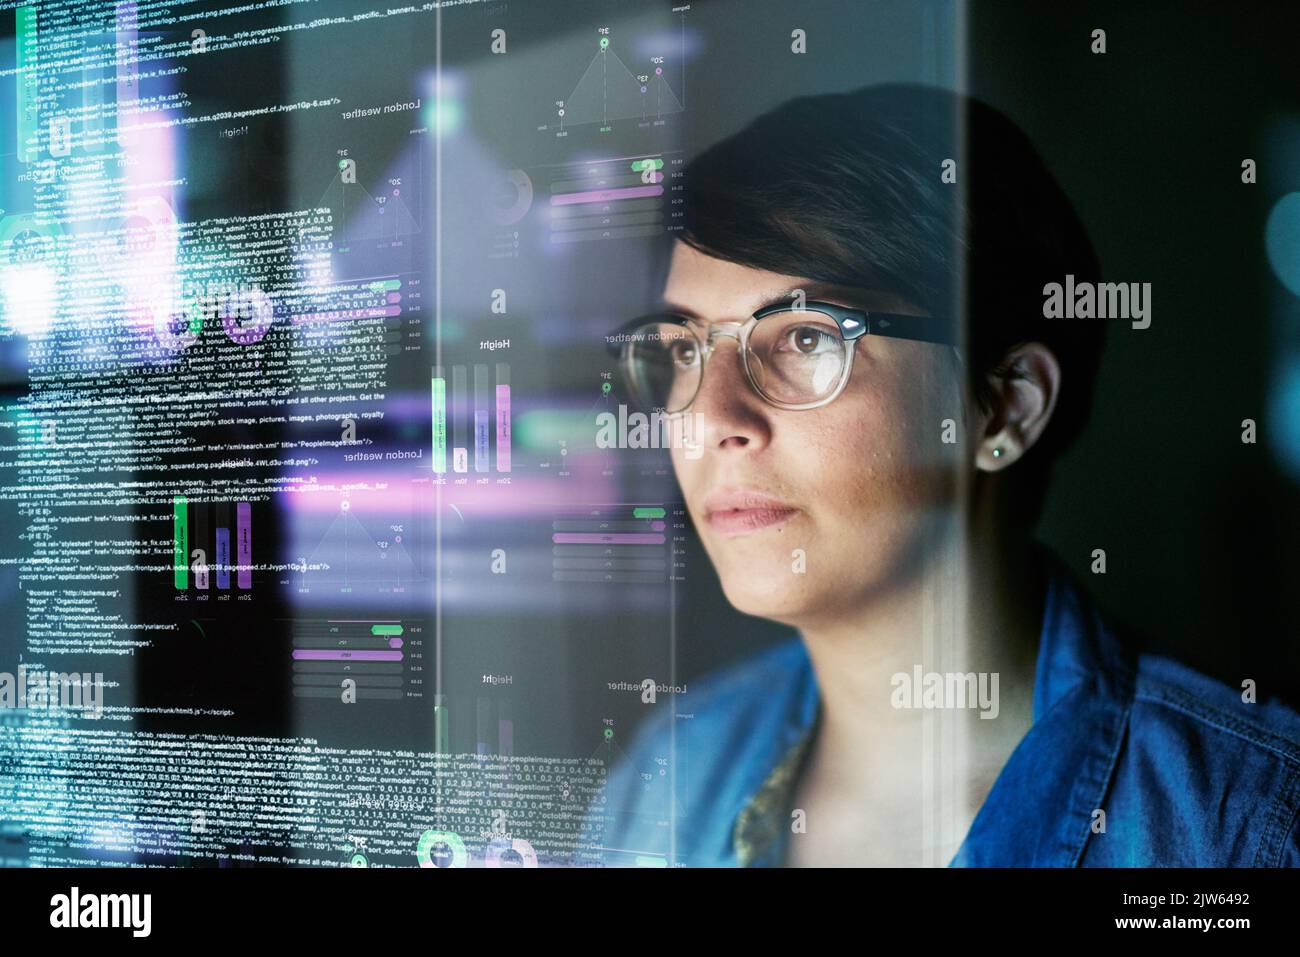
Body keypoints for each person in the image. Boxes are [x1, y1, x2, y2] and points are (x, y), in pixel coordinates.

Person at [583, 83, 1300, 867]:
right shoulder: (665, 783)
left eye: (805, 339)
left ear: (1004, 409)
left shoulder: (1241, 826)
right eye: (686, 349)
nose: (714, 418)